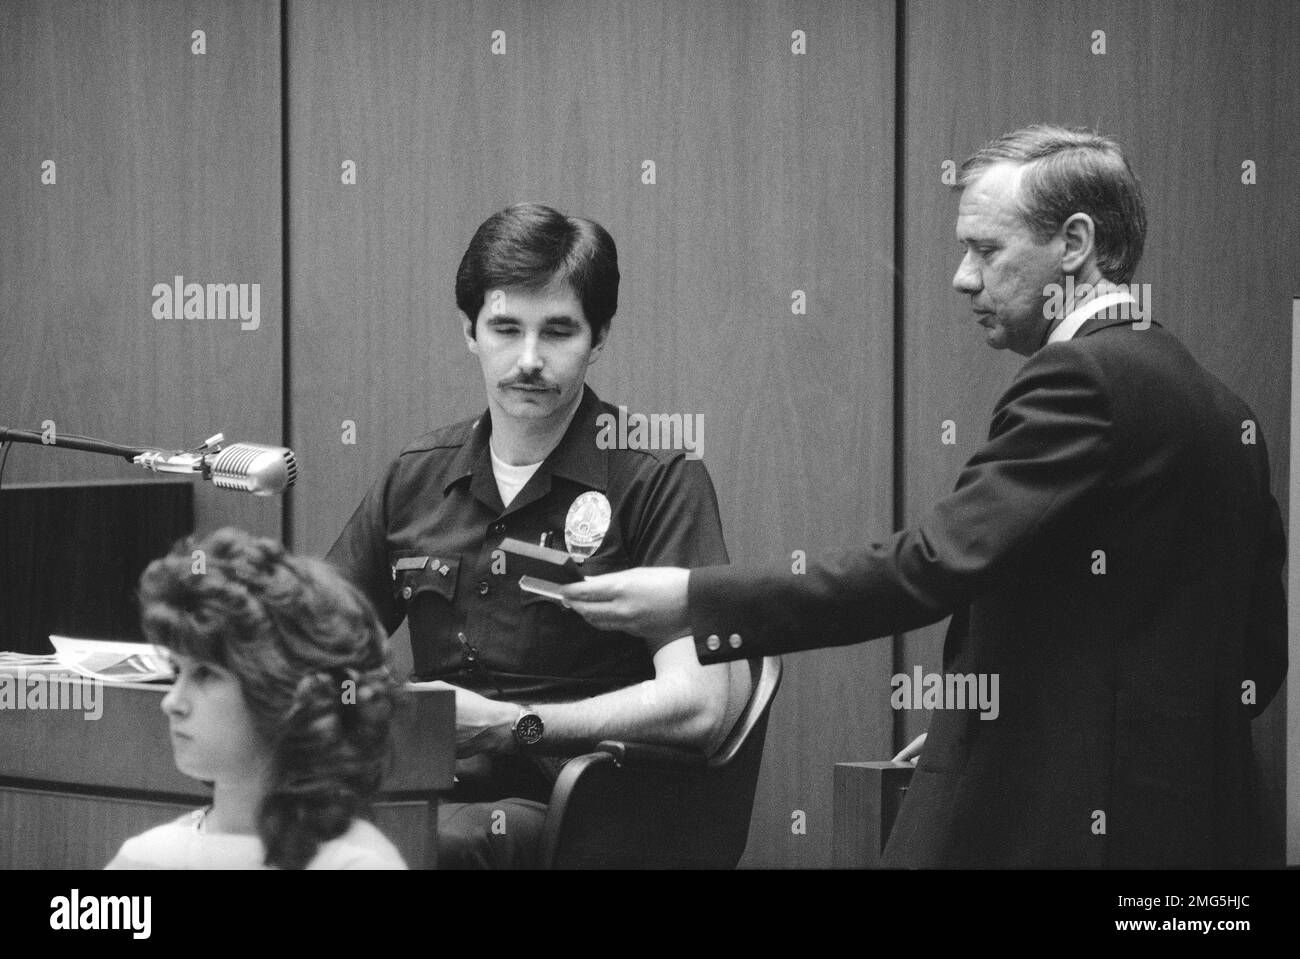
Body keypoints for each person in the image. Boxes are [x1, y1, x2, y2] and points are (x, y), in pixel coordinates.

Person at [561, 125, 1288, 867]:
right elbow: (1259, 654)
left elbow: (931, 564)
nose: (962, 278)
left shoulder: (1082, 379)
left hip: (1061, 827)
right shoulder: (1227, 408)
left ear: (1075, 244)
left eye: (986, 248)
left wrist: (694, 598)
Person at [327, 203, 749, 868]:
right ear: (469, 330)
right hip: (427, 784)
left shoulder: (657, 476)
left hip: (585, 807)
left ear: (599, 335)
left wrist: (510, 725)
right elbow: (314, 642)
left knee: (421, 848)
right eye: (504, 328)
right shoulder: (416, 475)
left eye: (557, 331)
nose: (529, 359)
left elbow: (700, 704)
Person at [106, 527, 406, 870]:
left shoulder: (357, 864)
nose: (172, 703)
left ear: (284, 693)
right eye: (177, 672)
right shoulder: (147, 859)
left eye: (205, 675)